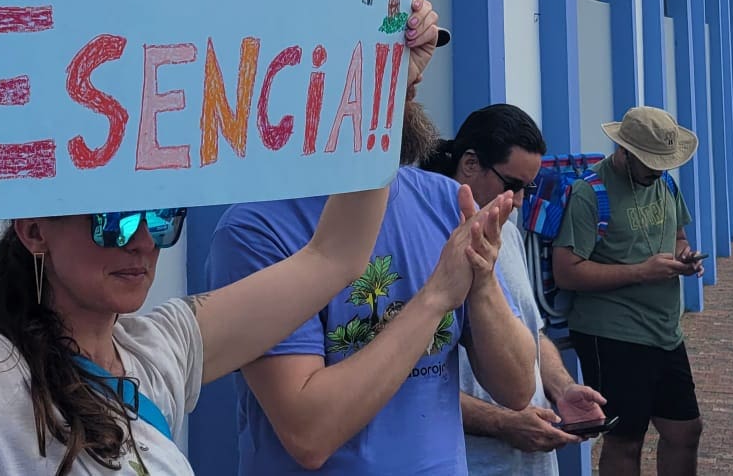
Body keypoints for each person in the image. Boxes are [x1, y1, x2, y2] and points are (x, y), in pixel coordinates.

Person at [0, 0, 513, 476]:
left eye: (163, 218)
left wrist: (391, 80)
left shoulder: (157, 352)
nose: (142, 243)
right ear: (34, 230)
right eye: (114, 221)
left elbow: (335, 256)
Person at [207, 109, 538, 473]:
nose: (415, 67)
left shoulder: (446, 200)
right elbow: (309, 434)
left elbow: (517, 388)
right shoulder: (256, 229)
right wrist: (435, 297)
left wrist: (483, 278)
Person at [420, 104, 608, 476]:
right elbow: (408, 383)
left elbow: (531, 329)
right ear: (470, 163)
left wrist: (563, 388)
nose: (520, 200)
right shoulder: (419, 236)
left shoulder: (505, 225)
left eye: (528, 186)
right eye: (513, 185)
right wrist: (501, 422)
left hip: (529, 461)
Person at [551, 106, 706, 476]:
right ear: (625, 151)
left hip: (666, 330)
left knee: (686, 429)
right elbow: (567, 272)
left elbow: (679, 235)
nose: (659, 170)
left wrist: (685, 257)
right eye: (651, 162)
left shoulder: (665, 183)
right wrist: (641, 272)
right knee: (625, 438)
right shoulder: (589, 194)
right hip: (612, 333)